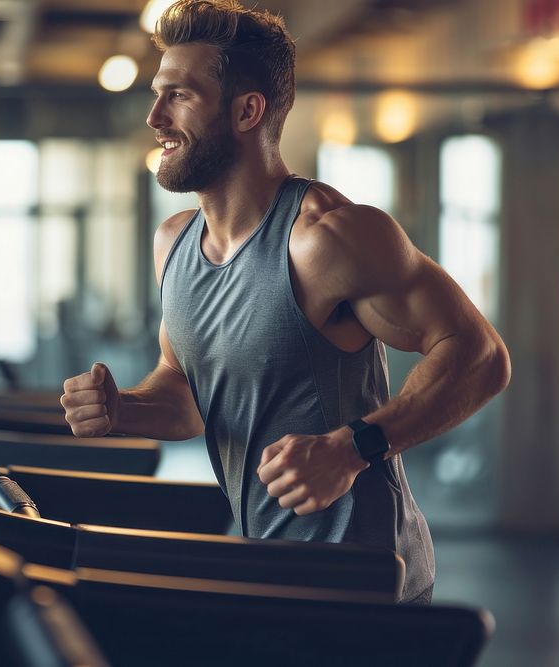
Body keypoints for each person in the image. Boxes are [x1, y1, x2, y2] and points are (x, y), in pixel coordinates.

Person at [60, 0, 510, 605]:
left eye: (179, 96)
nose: (155, 117)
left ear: (247, 111)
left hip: (368, 581)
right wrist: (124, 409)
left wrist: (352, 448)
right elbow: (189, 395)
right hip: (268, 569)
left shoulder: (327, 238)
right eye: (157, 95)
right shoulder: (175, 245)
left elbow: (481, 357)